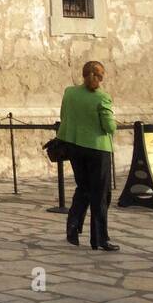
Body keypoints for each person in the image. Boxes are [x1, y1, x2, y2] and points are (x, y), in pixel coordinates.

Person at [58, 60, 119, 250]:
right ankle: (99, 238)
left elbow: (63, 116)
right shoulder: (102, 98)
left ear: (83, 74)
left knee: (83, 187)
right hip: (98, 148)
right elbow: (109, 126)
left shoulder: (70, 93)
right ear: (101, 77)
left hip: (75, 146)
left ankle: (73, 226)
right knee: (101, 194)